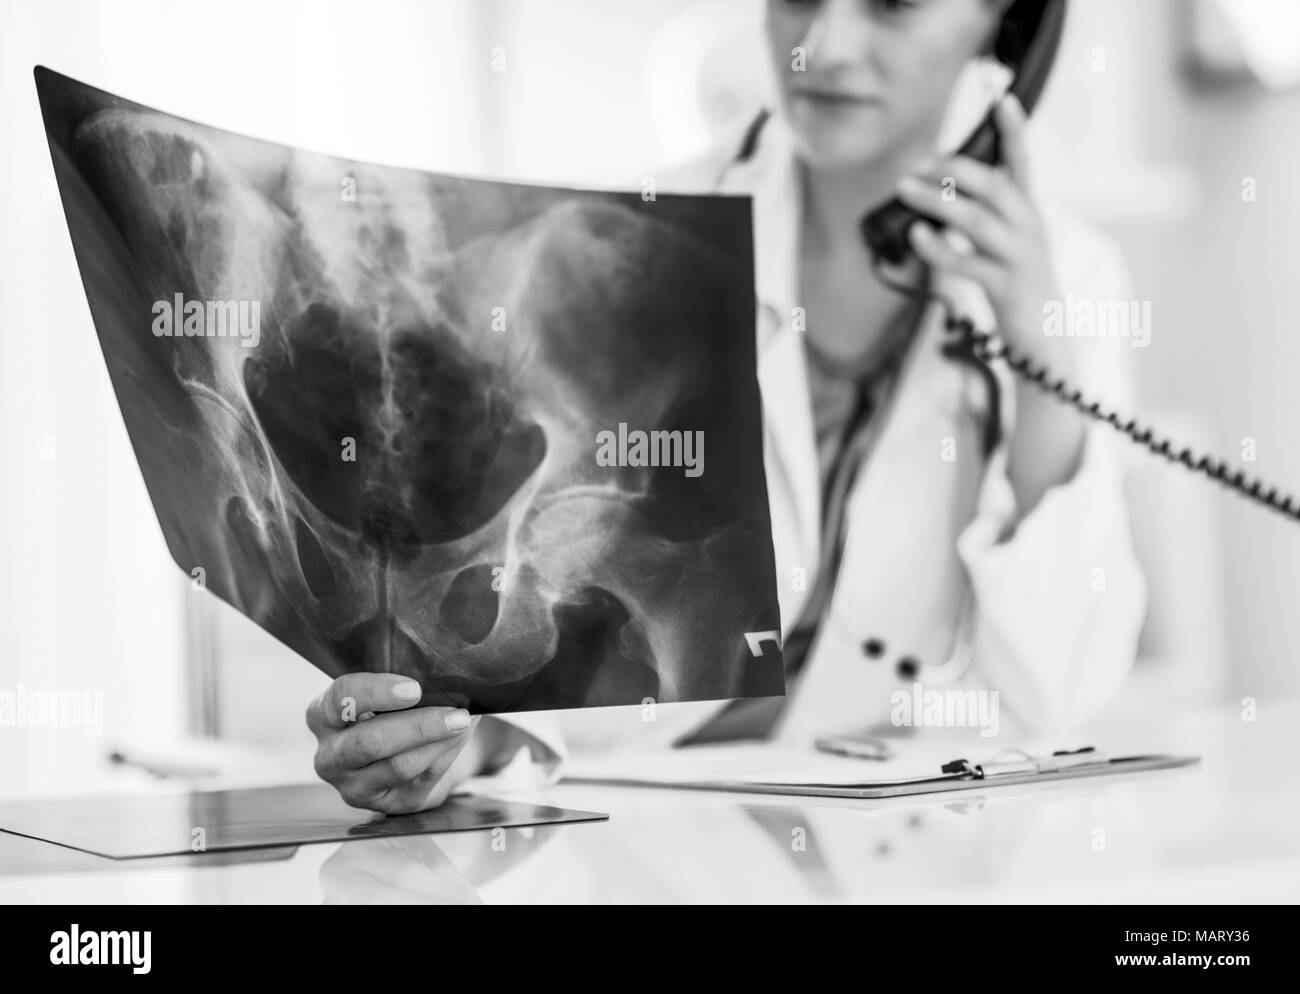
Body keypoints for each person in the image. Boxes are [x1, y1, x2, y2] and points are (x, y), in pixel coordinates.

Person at [308, 0, 1146, 813]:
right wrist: (455, 742)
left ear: (1013, 28)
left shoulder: (1067, 279)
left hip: (898, 851)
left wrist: (1040, 350)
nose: (822, 43)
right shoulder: (619, 244)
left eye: (894, 5)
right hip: (639, 852)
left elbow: (1056, 693)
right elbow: (544, 665)